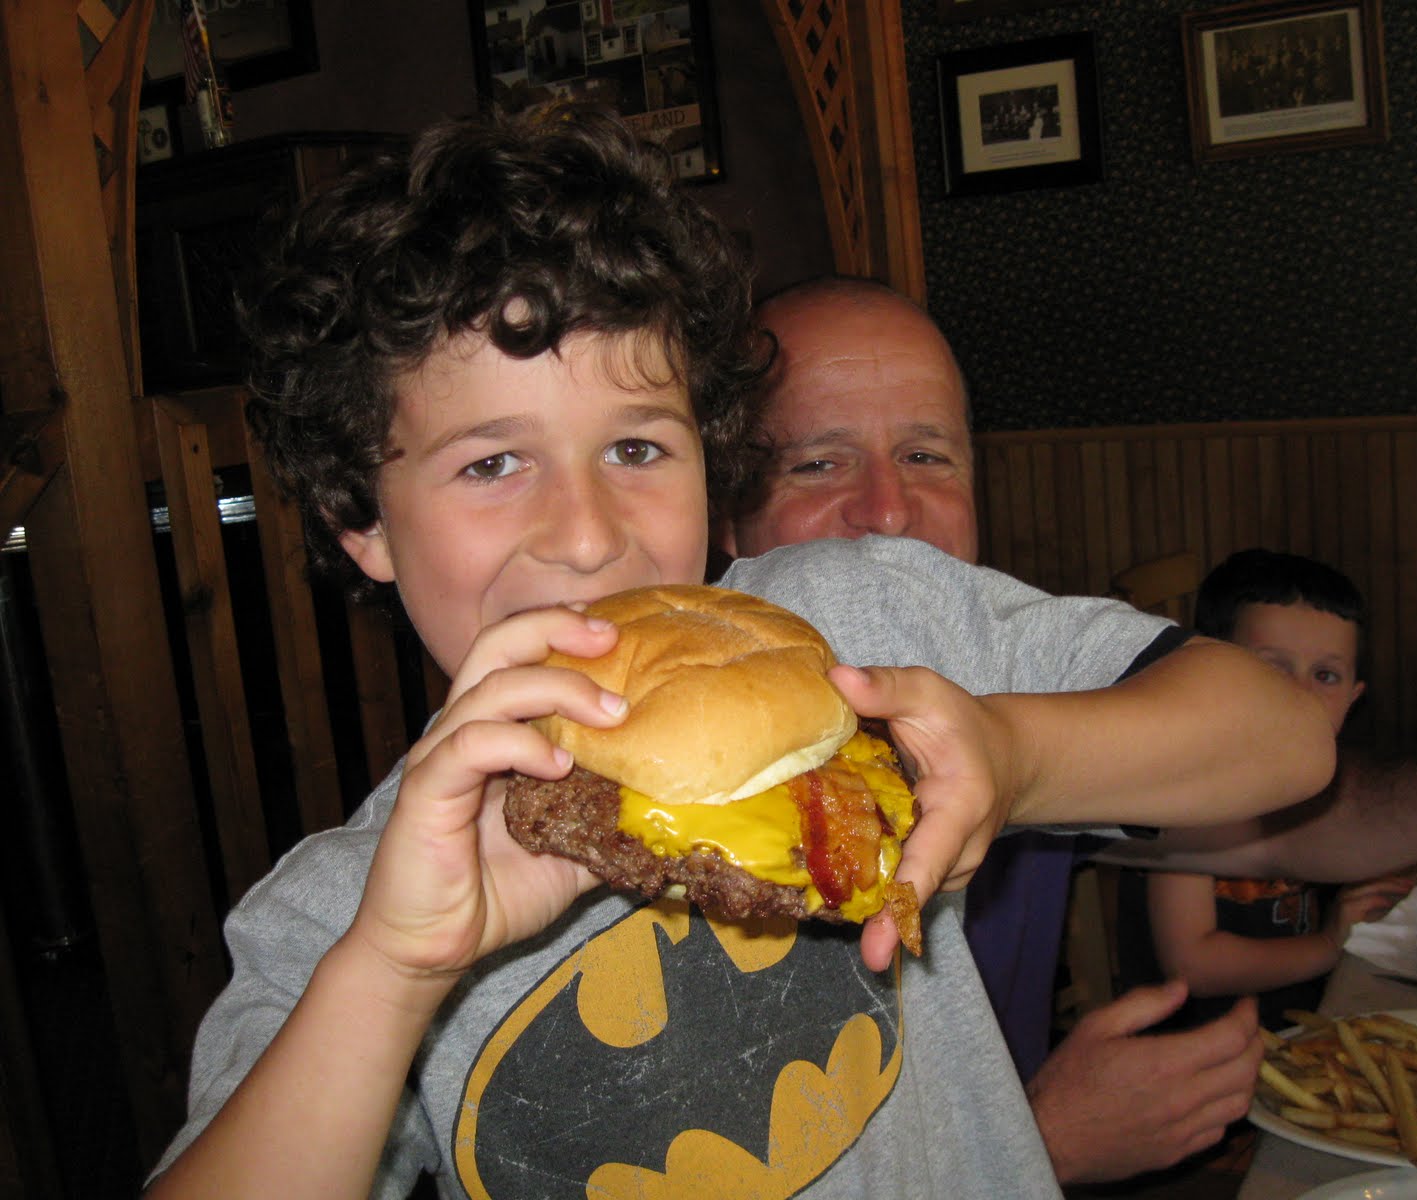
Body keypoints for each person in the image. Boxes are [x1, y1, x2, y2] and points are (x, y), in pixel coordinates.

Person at [144, 106, 1344, 1199]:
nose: (588, 534)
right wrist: (395, 974)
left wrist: (1013, 756)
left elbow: (1286, 738)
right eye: (492, 463)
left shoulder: (852, 634)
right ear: (363, 520)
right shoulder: (336, 912)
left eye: (638, 448)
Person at [721, 273, 1417, 1185]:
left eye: (928, 457)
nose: (889, 512)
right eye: (817, 465)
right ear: (728, 527)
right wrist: (1038, 1137)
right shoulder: (686, 784)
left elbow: (1290, 794)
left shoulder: (992, 667)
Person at [1117, 550, 1414, 1033]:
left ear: (1353, 699)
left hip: (1296, 1028)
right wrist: (1329, 945)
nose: (1299, 694)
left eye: (1325, 675)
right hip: (1192, 1060)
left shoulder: (1317, 774)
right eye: (1273, 668)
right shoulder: (1184, 793)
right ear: (1204, 672)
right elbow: (1193, 965)